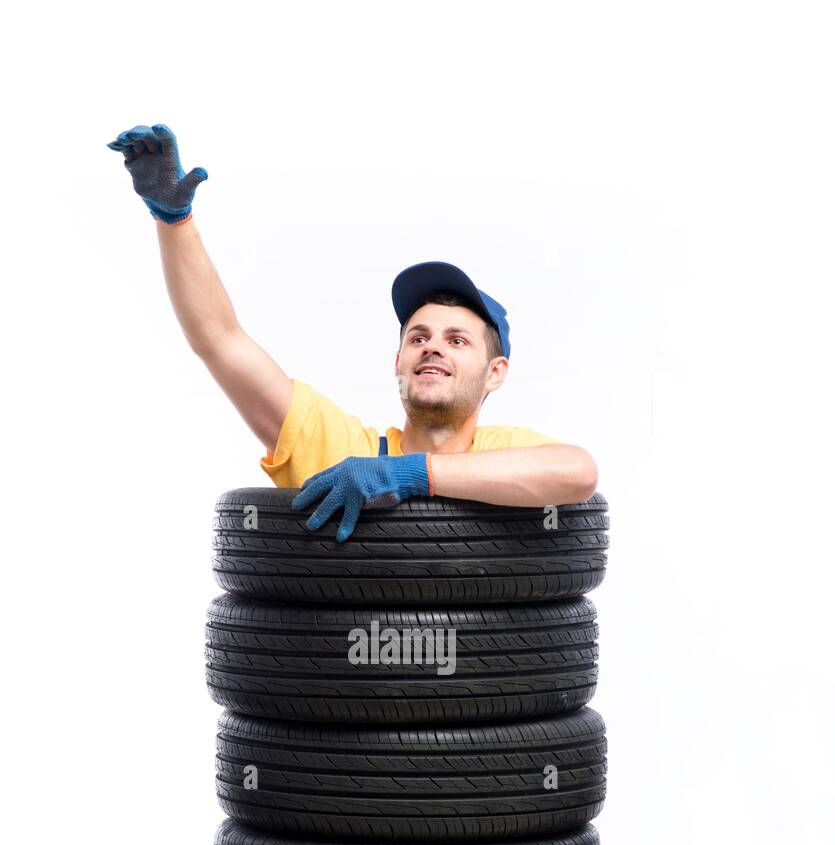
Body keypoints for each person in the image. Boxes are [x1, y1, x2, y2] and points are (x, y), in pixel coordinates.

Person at [108, 123, 598, 542]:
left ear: (495, 373)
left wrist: (408, 475)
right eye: (418, 337)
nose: (432, 347)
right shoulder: (344, 452)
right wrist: (174, 221)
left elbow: (579, 473)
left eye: (457, 340)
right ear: (398, 361)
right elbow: (220, 339)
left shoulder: (503, 452)